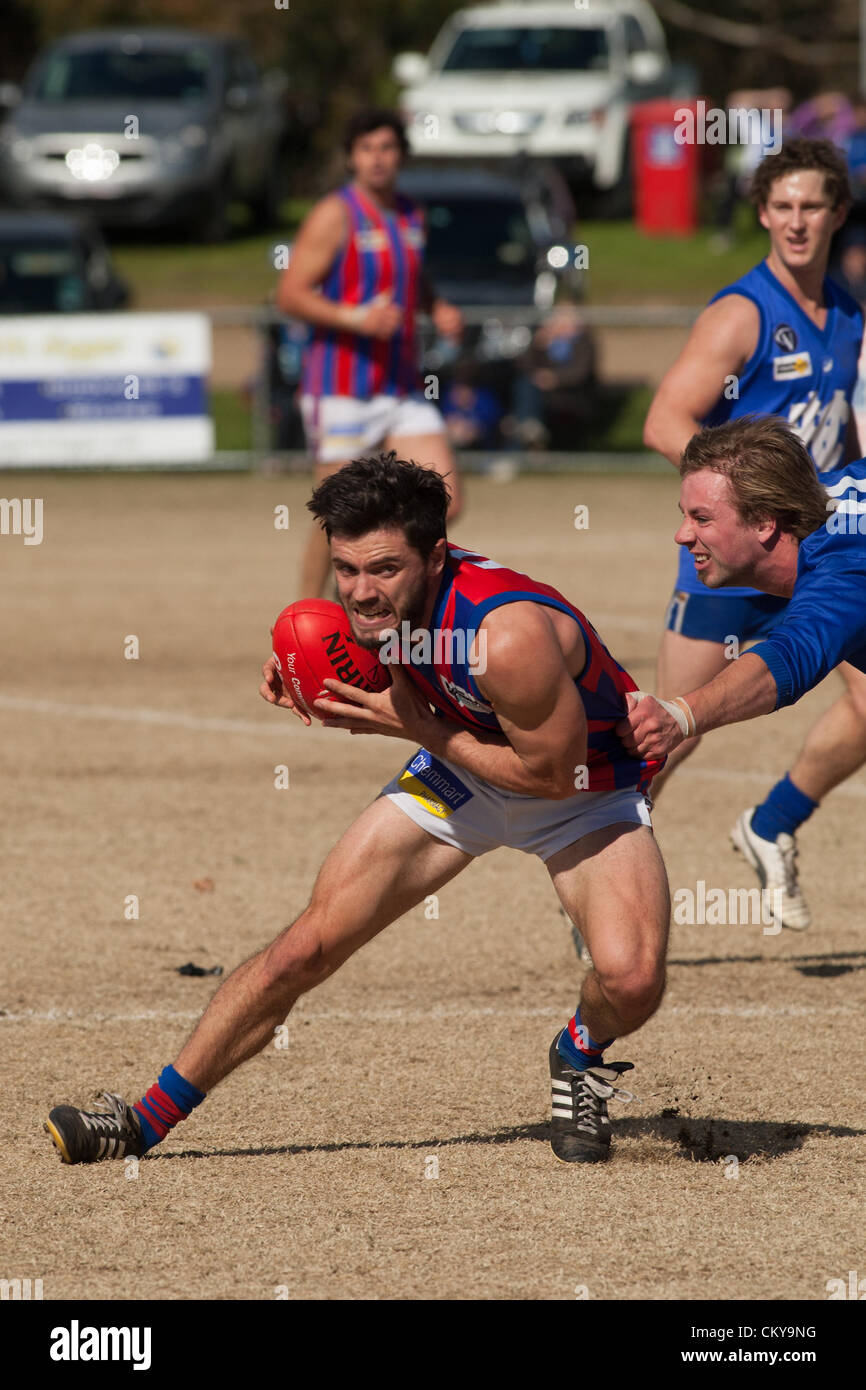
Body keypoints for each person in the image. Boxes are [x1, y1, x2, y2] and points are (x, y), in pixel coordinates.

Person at [44, 455, 669, 1169]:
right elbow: (353, 643)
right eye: (346, 569)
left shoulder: (506, 636)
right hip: (465, 774)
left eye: (384, 570)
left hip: (583, 791)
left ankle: (577, 1053)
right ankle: (141, 1121)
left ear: (436, 555)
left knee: (633, 979)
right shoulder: (377, 603)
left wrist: (419, 730)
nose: (362, 594)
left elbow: (553, 775)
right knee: (303, 949)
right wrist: (302, 660)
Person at [643, 138, 864, 930]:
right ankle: (605, 865)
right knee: (672, 731)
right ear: (763, 214)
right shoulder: (743, 313)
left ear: (838, 213)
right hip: (740, 556)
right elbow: (664, 419)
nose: (797, 221)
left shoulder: (845, 312)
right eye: (782, 207)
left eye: (812, 206)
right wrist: (739, 501)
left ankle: (770, 824)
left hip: (818, 555)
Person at [276, 108, 463, 597]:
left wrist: (436, 305)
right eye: (366, 149)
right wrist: (355, 317)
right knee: (336, 517)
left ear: (401, 154)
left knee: (443, 500)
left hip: (400, 386)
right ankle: (306, 621)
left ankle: (409, 608)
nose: (377, 159)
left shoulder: (410, 213)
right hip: (341, 389)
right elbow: (290, 294)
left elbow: (412, 277)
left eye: (386, 147)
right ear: (351, 158)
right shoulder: (334, 214)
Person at [621, 415, 866, 771]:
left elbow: (787, 662)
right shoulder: (826, 495)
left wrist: (681, 716)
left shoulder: (842, 568)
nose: (682, 535)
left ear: (766, 522)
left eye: (702, 519)